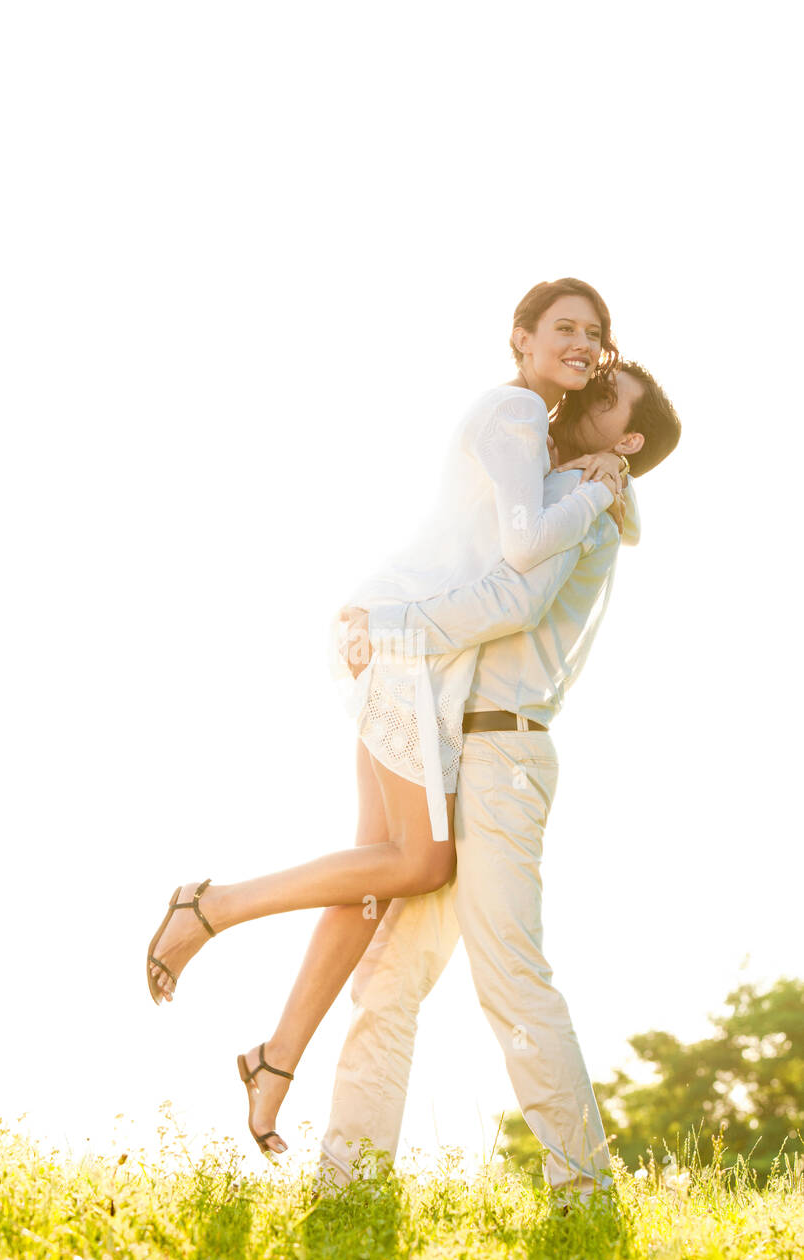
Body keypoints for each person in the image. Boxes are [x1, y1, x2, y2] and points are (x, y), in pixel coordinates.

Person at [144, 277, 632, 1157]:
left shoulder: (541, 440)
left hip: (412, 645)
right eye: (566, 328)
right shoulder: (519, 414)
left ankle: (275, 1062)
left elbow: (512, 552)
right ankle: (212, 906)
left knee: (375, 878)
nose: (585, 347)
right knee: (420, 860)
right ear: (520, 337)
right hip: (401, 641)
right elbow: (522, 554)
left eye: (595, 334)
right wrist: (600, 485)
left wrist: (597, 477)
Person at [315, 360, 681, 1203]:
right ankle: (347, 1185)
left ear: (624, 441)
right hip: (464, 753)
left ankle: (583, 1190)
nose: (577, 396)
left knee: (511, 976)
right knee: (388, 978)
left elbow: (507, 603)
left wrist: (390, 627)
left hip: (502, 758)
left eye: (601, 401)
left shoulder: (579, 512)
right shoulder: (574, 489)